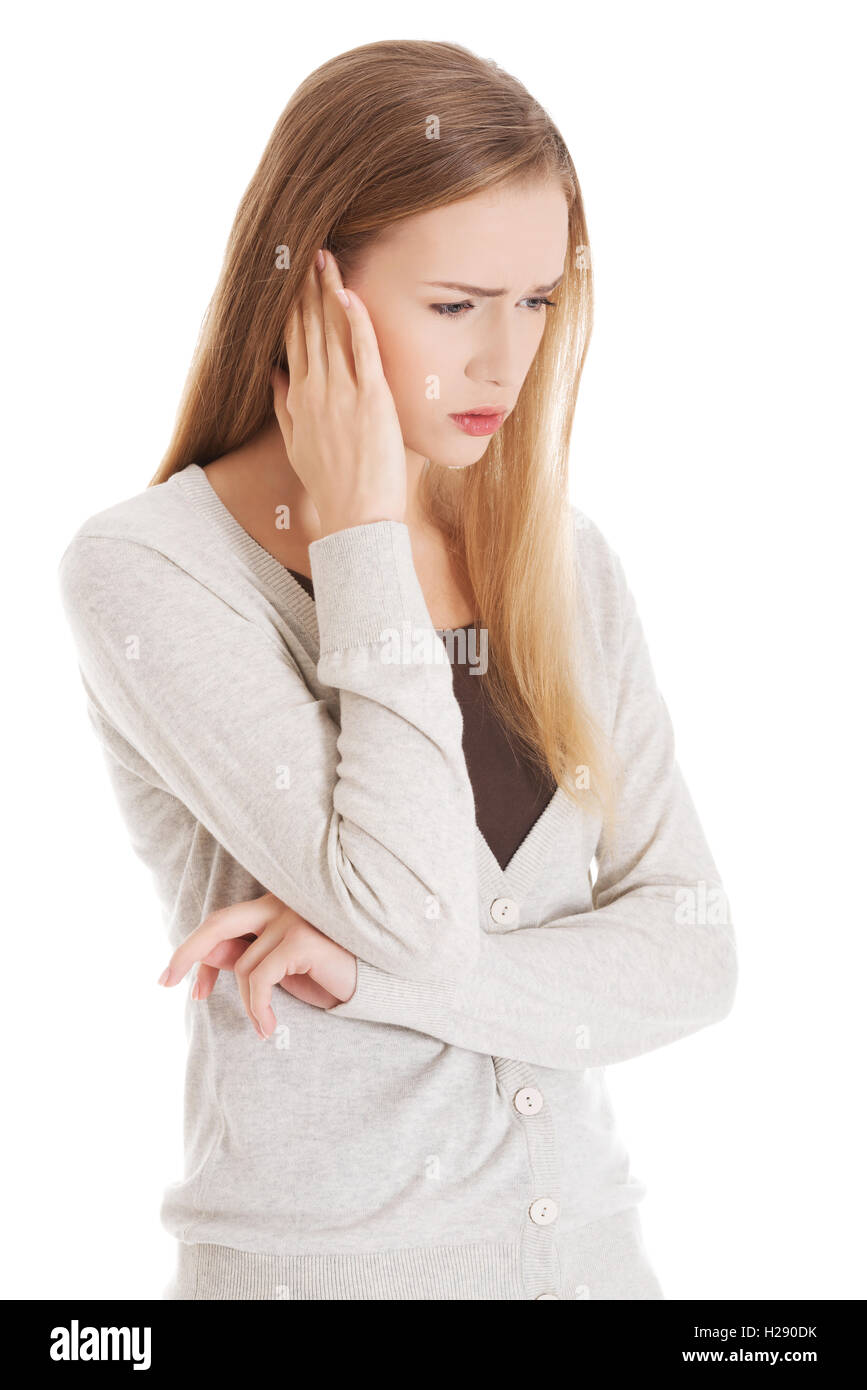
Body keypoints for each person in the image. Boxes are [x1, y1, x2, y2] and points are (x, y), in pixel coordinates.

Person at [57, 39, 737, 1300]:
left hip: (593, 1264)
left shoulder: (562, 560)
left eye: (536, 301)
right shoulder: (153, 571)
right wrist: (364, 533)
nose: (505, 359)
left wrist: (366, 976)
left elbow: (693, 958)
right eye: (456, 303)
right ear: (314, 292)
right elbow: (413, 901)